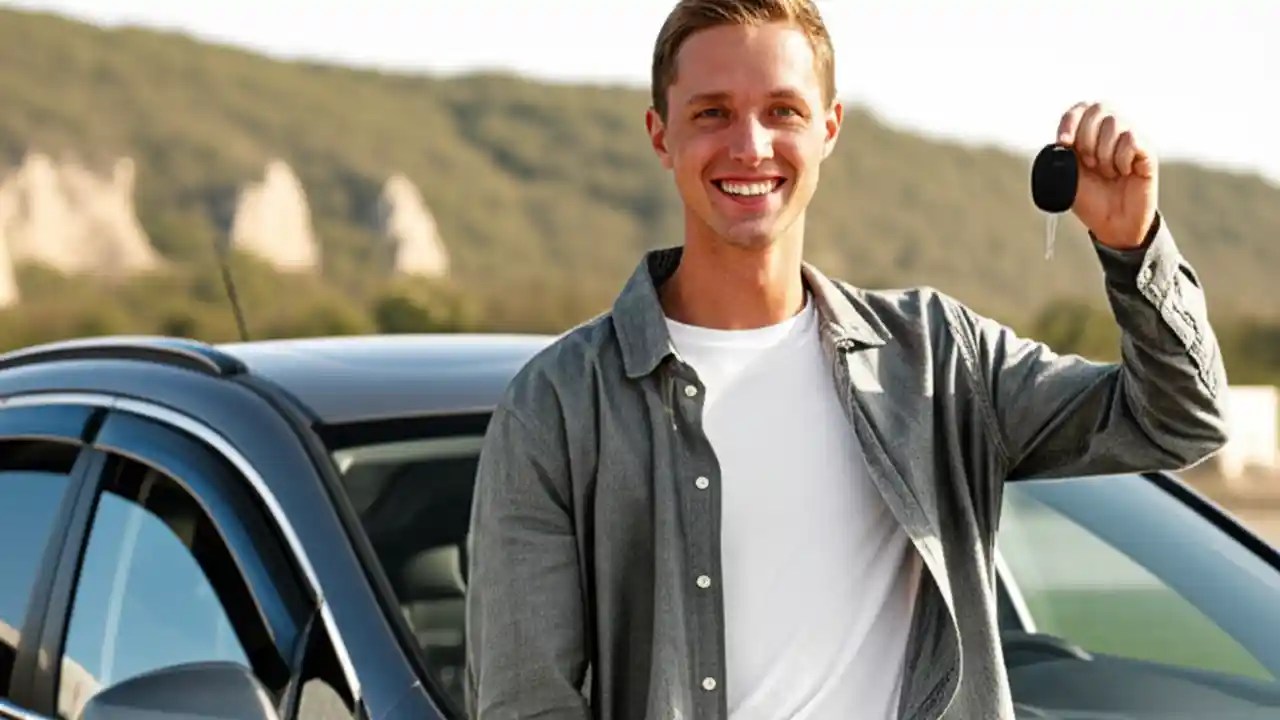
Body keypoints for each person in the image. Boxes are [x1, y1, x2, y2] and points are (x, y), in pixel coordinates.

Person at [464, 0, 1229, 718]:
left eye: (782, 112)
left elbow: (1180, 422)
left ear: (829, 128)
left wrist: (1135, 248)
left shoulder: (937, 360)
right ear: (661, 135)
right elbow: (526, 702)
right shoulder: (558, 406)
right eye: (712, 114)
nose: (750, 145)